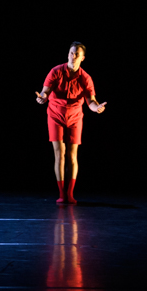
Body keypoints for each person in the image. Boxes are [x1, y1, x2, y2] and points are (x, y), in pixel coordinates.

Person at [35, 42, 107, 204]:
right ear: (68, 54)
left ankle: (70, 193)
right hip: (55, 115)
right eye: (71, 53)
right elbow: (45, 92)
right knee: (59, 154)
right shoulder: (56, 71)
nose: (73, 56)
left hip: (75, 117)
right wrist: (42, 98)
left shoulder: (85, 78)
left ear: (82, 58)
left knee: (72, 156)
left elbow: (92, 101)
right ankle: (62, 194)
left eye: (77, 54)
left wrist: (97, 108)